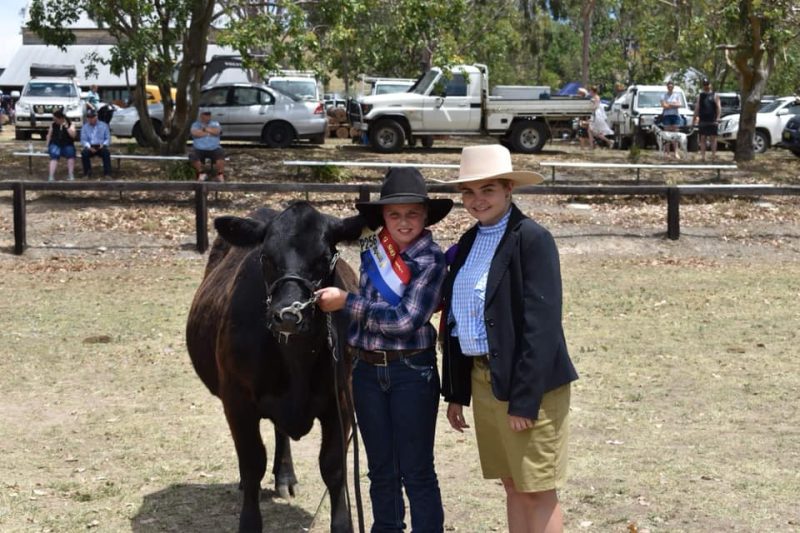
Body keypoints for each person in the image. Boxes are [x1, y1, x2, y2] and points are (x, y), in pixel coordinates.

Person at [441, 144, 578, 533]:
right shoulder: (469, 241)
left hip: (526, 385)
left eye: (488, 189)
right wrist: (457, 391)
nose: (477, 199)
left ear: (508, 190)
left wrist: (525, 399)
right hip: (485, 381)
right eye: (468, 191)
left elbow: (543, 326)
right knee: (512, 484)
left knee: (537, 489)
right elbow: (457, 318)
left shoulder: (532, 239)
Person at [315, 167, 453, 533]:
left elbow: (405, 320)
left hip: (412, 372)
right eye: (394, 214)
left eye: (411, 214)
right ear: (383, 218)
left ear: (425, 217)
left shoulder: (430, 259)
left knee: (416, 470)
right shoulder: (373, 252)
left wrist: (347, 302)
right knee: (380, 469)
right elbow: (374, 314)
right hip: (366, 372)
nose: (403, 222)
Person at [189, 110, 225, 182]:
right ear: (201, 116)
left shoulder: (215, 124)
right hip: (199, 148)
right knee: (192, 155)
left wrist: (204, 129)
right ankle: (202, 173)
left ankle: (219, 174)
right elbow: (195, 133)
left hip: (214, 148)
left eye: (208, 115)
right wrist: (210, 132)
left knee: (220, 153)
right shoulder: (195, 124)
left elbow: (217, 131)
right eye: (205, 115)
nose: (207, 117)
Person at [693, 78, 721, 161]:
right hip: (703, 120)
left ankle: (713, 156)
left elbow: (719, 107)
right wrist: (694, 118)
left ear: (710, 85)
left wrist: (718, 118)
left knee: (713, 138)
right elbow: (697, 108)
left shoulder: (715, 95)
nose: (706, 86)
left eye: (707, 84)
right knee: (702, 138)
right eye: (704, 84)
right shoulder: (700, 96)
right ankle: (703, 157)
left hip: (712, 120)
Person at [45, 108, 77, 182]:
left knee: (70, 153)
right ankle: (51, 176)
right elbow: (49, 135)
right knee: (54, 154)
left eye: (56, 119)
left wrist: (67, 127)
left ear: (61, 118)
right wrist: (47, 145)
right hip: (55, 143)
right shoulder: (53, 125)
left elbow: (73, 135)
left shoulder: (70, 124)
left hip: (67, 144)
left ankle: (70, 175)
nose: (55, 121)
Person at [80, 108, 112, 178]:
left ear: (96, 117)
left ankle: (107, 174)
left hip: (101, 146)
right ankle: (87, 173)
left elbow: (108, 138)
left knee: (106, 153)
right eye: (89, 117)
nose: (91, 119)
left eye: (92, 117)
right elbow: (83, 140)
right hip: (90, 146)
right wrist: (89, 147)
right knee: (84, 153)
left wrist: (103, 145)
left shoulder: (104, 125)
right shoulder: (85, 127)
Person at [660, 80, 683, 157]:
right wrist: (673, 104)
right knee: (667, 135)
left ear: (673, 87)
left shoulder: (677, 95)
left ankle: (676, 152)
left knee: (675, 134)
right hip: (667, 116)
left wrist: (669, 104)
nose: (670, 87)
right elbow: (664, 105)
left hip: (675, 116)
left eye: (671, 86)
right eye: (669, 86)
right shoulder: (663, 96)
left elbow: (679, 105)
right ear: (667, 87)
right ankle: (667, 152)